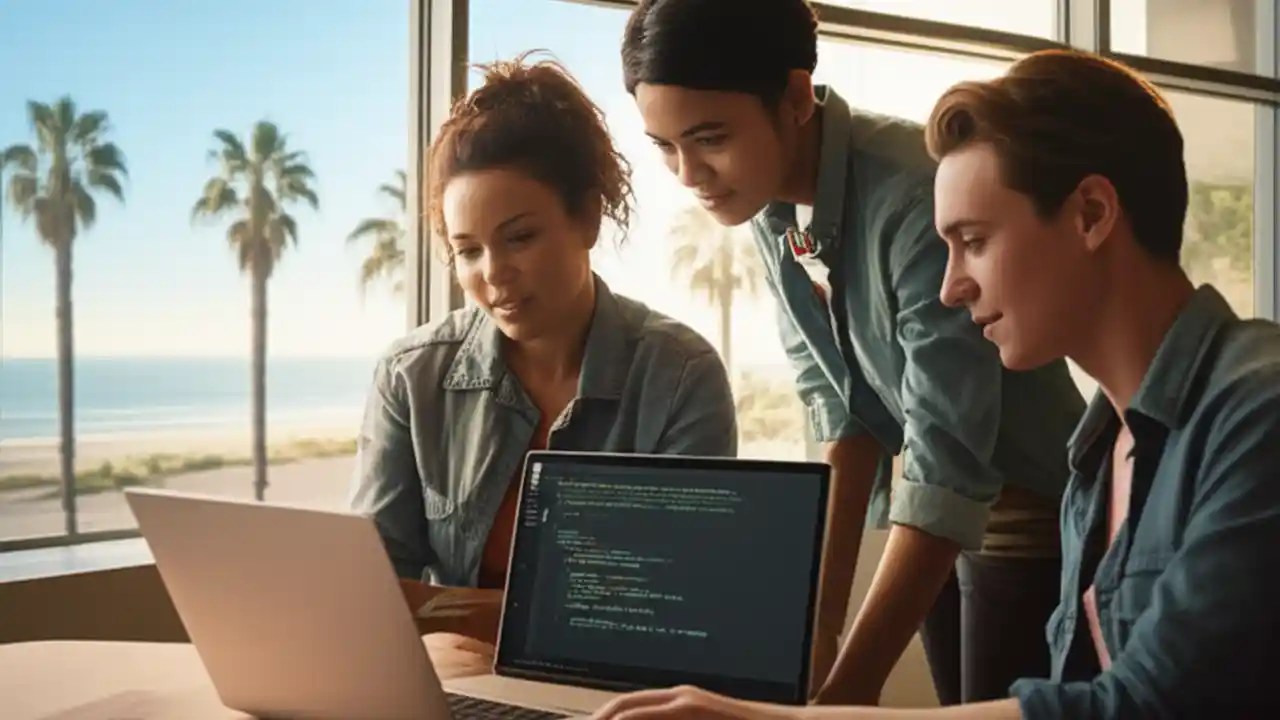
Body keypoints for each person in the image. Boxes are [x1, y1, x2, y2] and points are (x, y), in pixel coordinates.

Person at [591, 48, 1280, 719]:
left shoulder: (1257, 412)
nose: (950, 287)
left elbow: (1140, 704)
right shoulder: (1097, 463)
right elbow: (845, 415)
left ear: (1092, 215)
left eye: (973, 241)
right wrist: (816, 644)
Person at [621, 0, 1083, 704]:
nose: (689, 173)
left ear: (796, 97)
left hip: (1027, 511)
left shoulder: (912, 194)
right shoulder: (768, 208)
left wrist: (842, 697)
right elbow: (844, 420)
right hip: (933, 506)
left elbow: (948, 457)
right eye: (664, 145)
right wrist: (816, 635)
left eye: (710, 138)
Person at [349, 53, 738, 655]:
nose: (495, 275)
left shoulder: (680, 376)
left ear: (586, 216)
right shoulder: (411, 377)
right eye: (469, 251)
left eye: (520, 237)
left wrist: (438, 607)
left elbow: (662, 613)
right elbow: (367, 595)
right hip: (457, 685)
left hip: (616, 695)